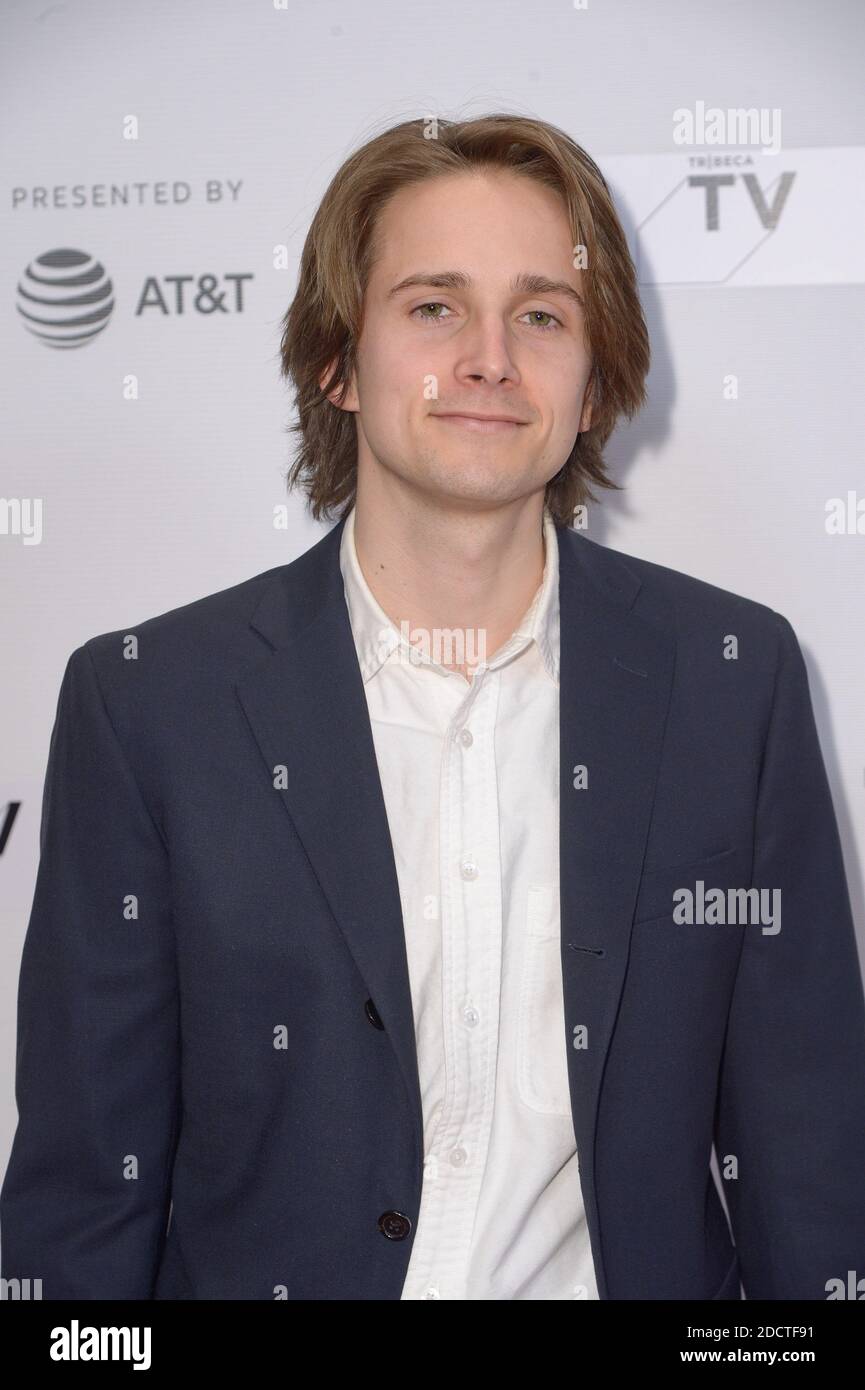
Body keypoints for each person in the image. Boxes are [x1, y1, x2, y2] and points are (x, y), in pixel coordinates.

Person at [3, 113, 864, 1301]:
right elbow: (87, 1185)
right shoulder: (149, 704)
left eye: (542, 315)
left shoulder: (730, 678)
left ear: (594, 374)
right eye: (433, 307)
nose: (490, 359)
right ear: (336, 363)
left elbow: (807, 1150)